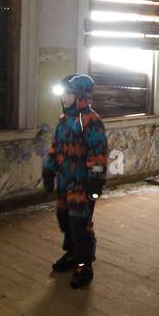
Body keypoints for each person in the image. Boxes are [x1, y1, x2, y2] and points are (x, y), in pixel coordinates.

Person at [41, 73, 108, 288]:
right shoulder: (64, 120)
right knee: (64, 219)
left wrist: (95, 181)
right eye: (63, 94)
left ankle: (84, 263)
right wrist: (48, 170)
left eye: (68, 94)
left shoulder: (92, 122)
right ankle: (72, 254)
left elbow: (98, 153)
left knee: (80, 224)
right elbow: (55, 148)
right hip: (65, 182)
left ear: (80, 95)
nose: (64, 98)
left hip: (82, 183)